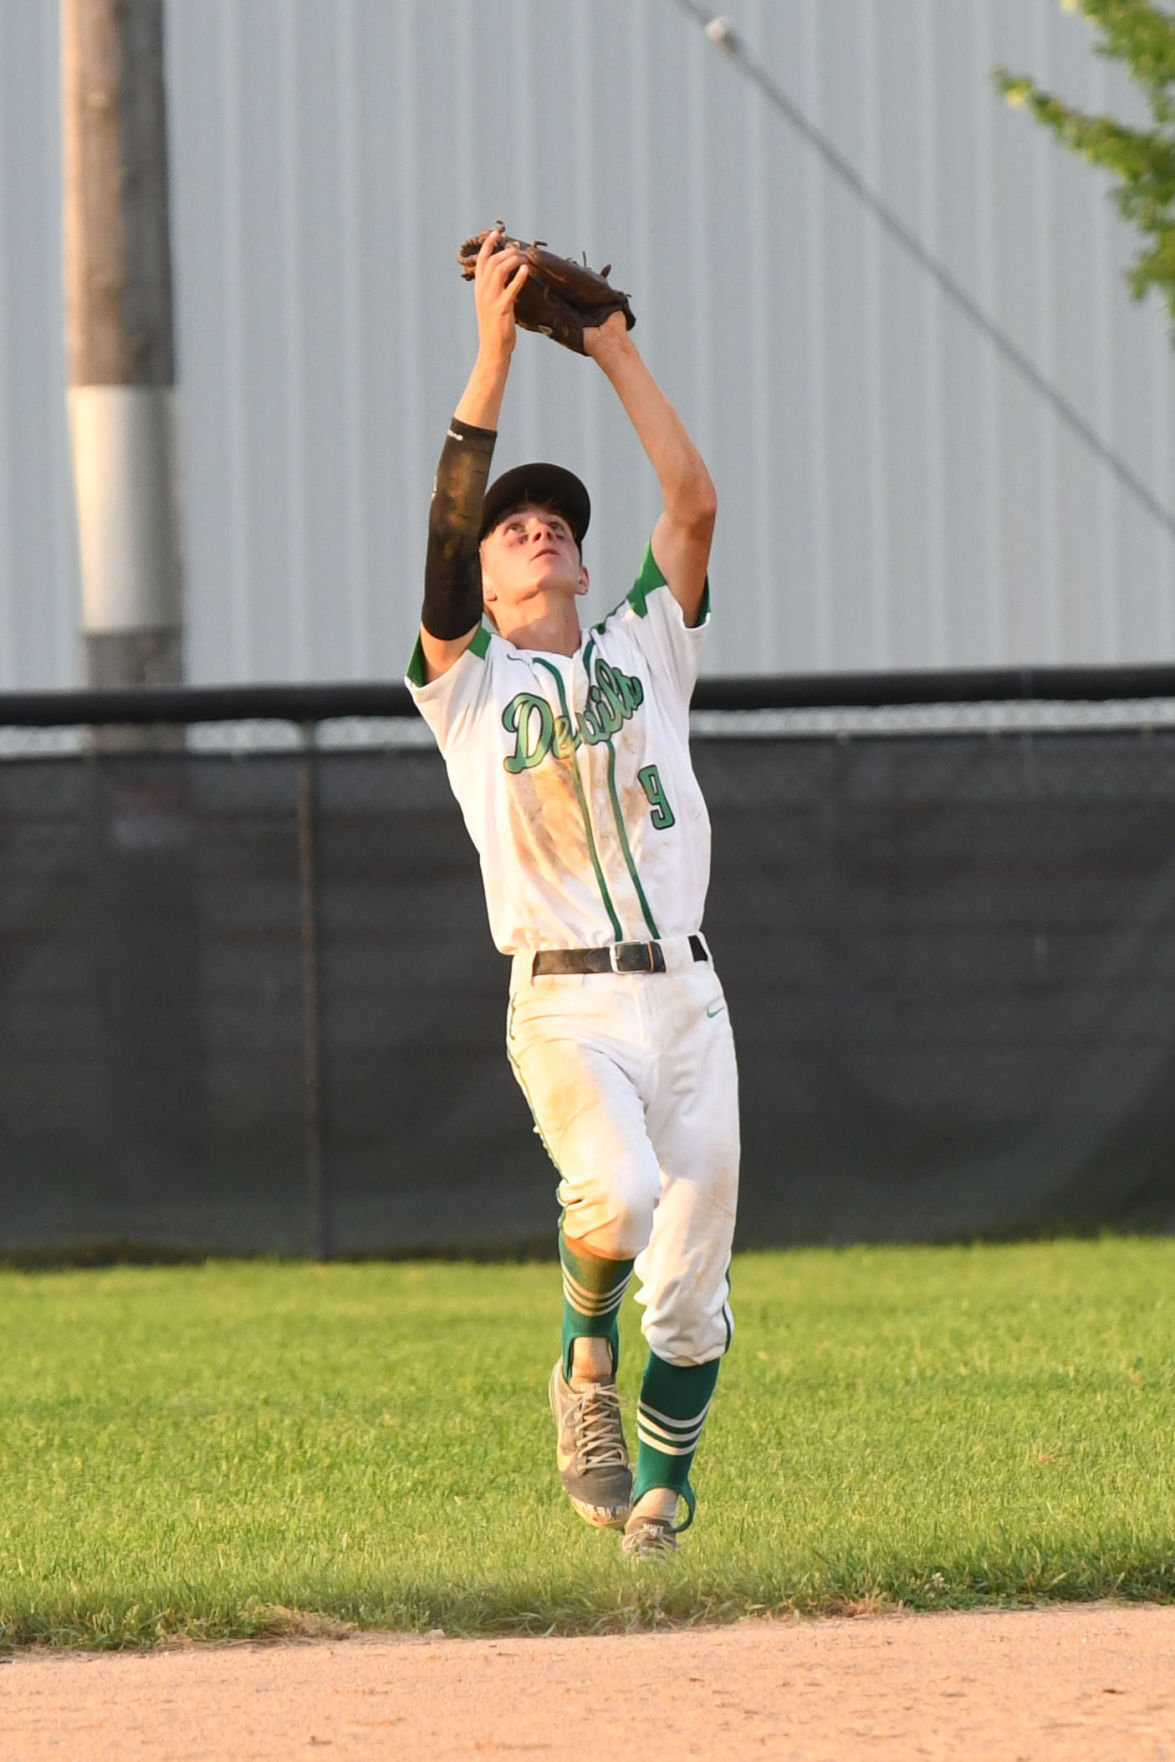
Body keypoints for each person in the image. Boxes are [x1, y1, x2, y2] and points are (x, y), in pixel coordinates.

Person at [406, 230, 739, 1559]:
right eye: (513, 530)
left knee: (697, 1293)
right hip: (564, 1002)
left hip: (689, 992)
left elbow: (695, 501)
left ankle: (661, 1510)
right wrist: (492, 351)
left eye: (556, 525)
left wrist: (610, 345)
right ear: (484, 587)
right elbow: (444, 528)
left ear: (589, 571)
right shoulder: (466, 683)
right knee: (615, 1194)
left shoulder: (649, 642)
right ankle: (578, 1359)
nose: (536, 528)